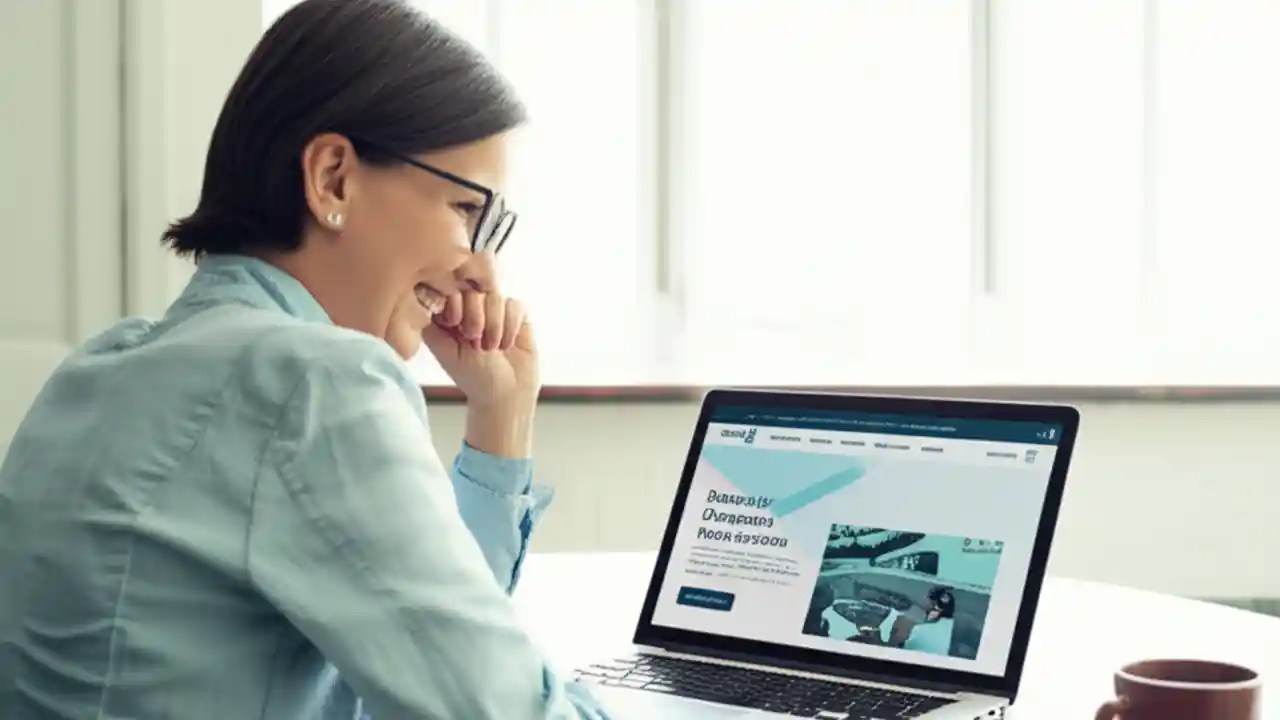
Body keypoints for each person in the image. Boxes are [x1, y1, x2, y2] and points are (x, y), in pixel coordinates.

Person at [0, 1, 607, 718]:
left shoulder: (97, 367)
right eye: (465, 211)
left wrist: (498, 415)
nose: (484, 274)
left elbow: (434, 651)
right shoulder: (316, 384)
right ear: (332, 179)